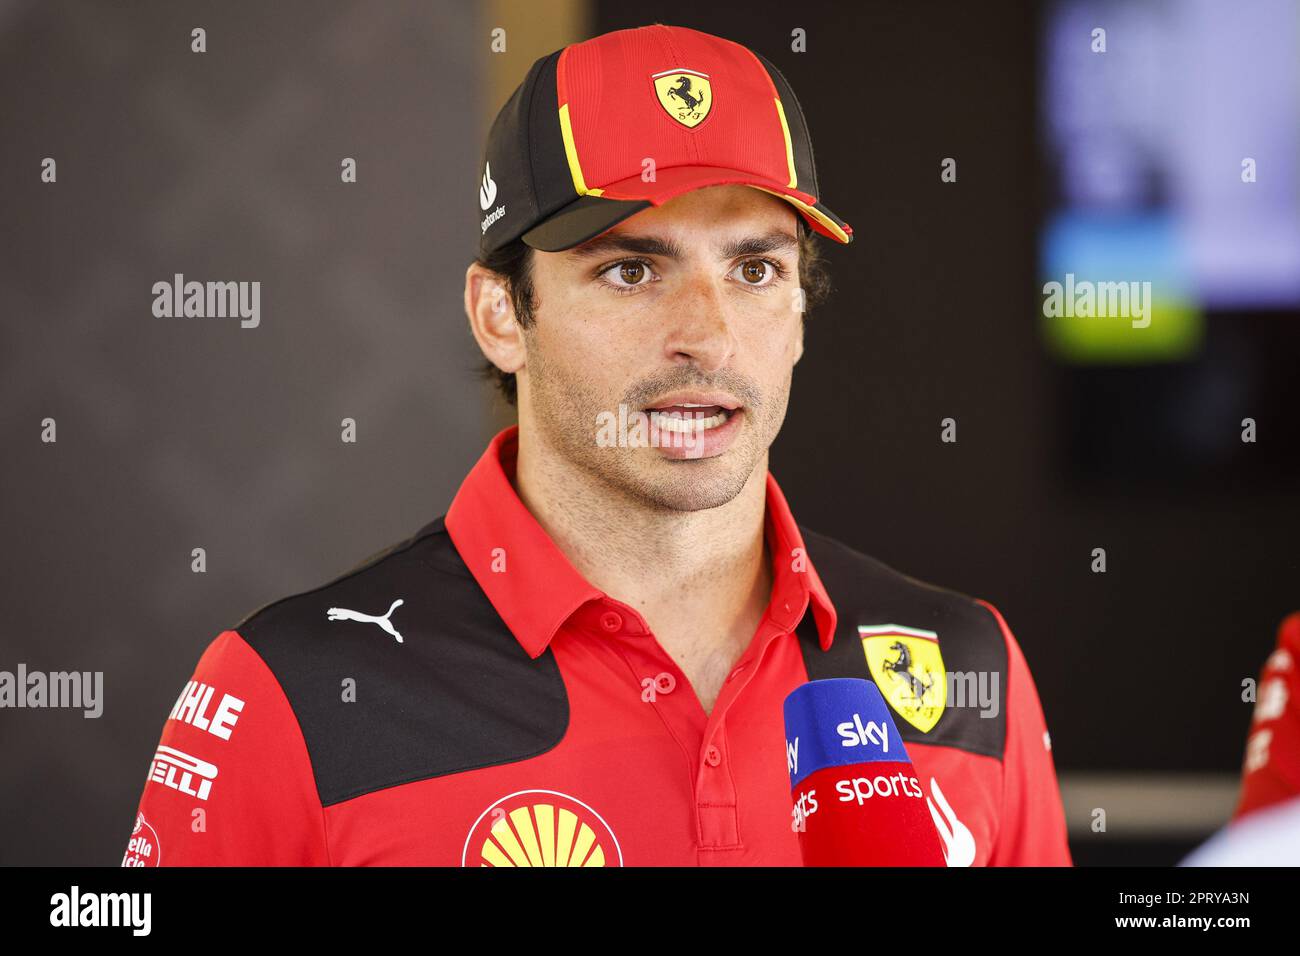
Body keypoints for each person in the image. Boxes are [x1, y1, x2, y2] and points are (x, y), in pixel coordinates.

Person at [121, 22, 1070, 867]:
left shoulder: (968, 663)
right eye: (629, 269)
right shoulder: (293, 696)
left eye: (753, 268)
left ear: (800, 314)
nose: (708, 334)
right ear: (501, 315)